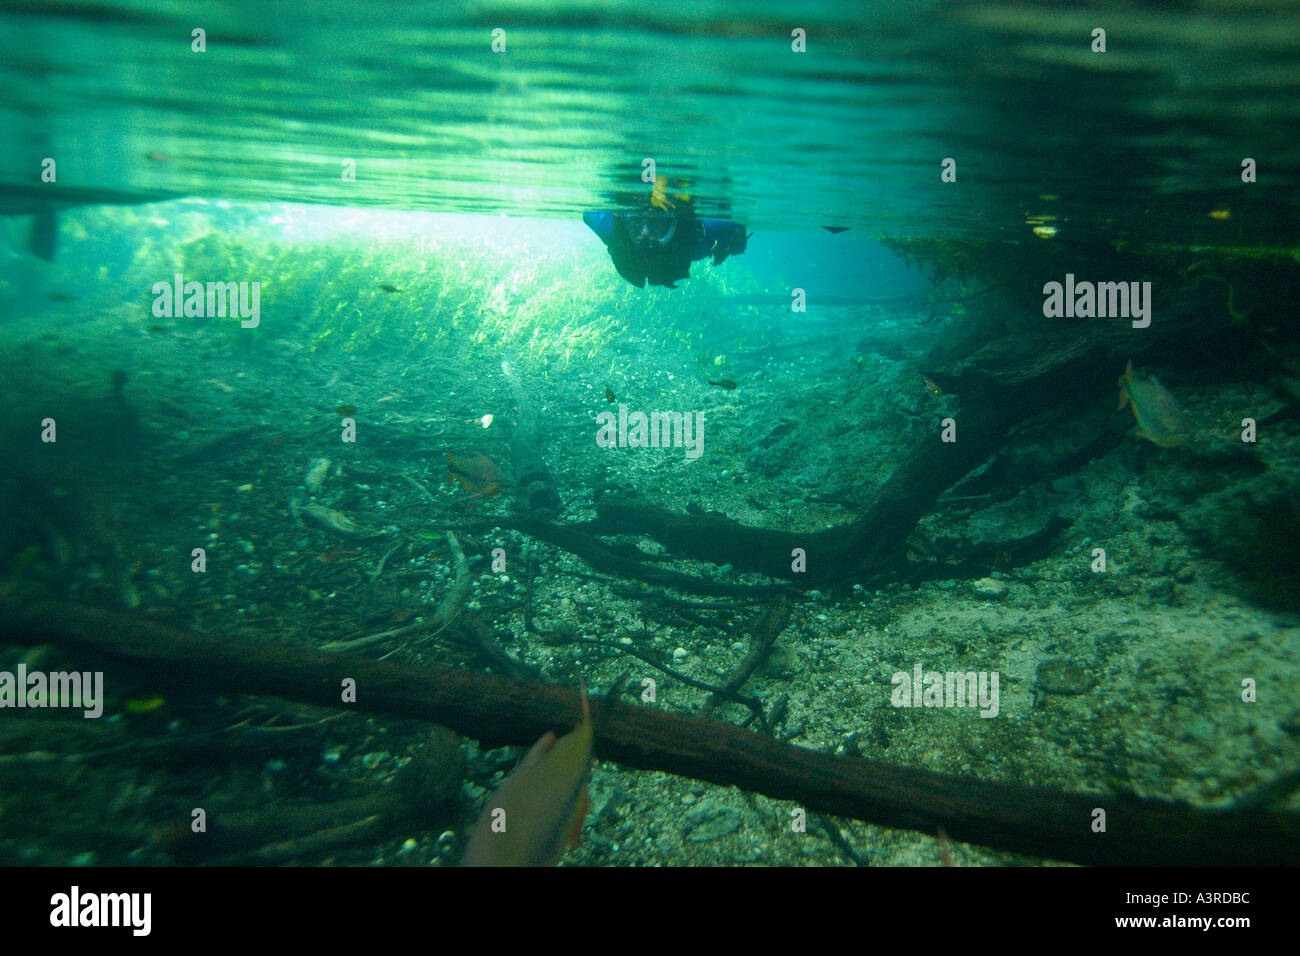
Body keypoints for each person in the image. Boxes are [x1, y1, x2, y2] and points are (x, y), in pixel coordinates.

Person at [582, 197, 749, 289]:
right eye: (636, 222)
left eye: (655, 223)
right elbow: (728, 226)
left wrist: (723, 246)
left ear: (672, 220)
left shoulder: (692, 235)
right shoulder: (695, 241)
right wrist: (723, 246)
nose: (645, 234)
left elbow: (588, 214)